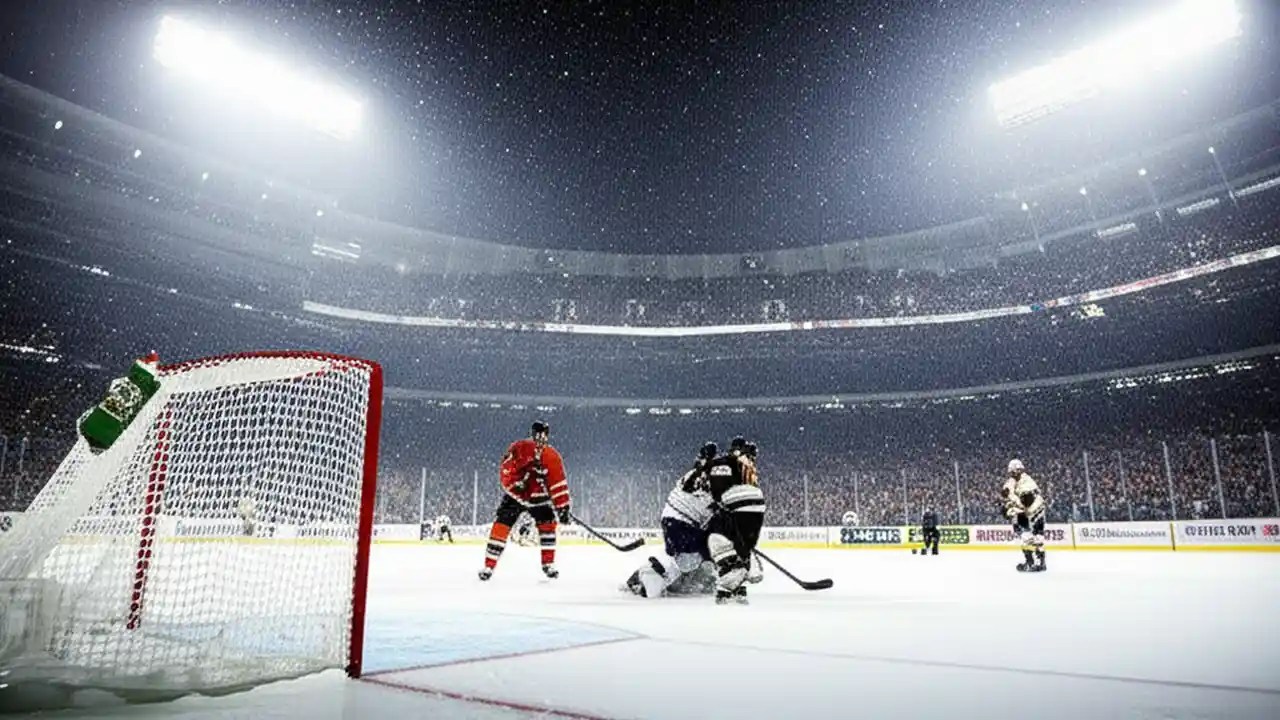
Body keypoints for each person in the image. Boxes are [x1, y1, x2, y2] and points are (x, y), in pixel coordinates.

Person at [479, 421, 571, 581]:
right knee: (502, 524)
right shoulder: (519, 448)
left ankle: (548, 564)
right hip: (517, 496)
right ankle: (489, 565)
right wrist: (516, 484)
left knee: (548, 525)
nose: (541, 437)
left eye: (544, 434)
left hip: (540, 499)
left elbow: (558, 484)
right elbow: (506, 469)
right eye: (538, 433)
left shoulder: (552, 456)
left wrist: (563, 507)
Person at [624, 441, 717, 598]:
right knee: (699, 553)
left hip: (671, 519)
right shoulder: (707, 479)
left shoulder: (692, 475)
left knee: (692, 554)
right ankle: (657, 578)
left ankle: (658, 577)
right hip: (681, 523)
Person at [706, 441, 766, 605]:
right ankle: (740, 584)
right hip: (758, 503)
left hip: (736, 501)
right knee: (744, 546)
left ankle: (726, 586)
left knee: (716, 538)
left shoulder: (724, 462)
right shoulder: (748, 464)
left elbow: (717, 487)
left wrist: (718, 501)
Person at [1001, 459, 1047, 572]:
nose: (1013, 474)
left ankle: (1032, 562)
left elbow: (1026, 502)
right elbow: (1005, 493)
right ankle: (1040, 562)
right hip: (1036, 509)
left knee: (1031, 536)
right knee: (1036, 536)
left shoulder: (1027, 483)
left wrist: (1011, 505)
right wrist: (1007, 502)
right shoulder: (1015, 482)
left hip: (1034, 510)